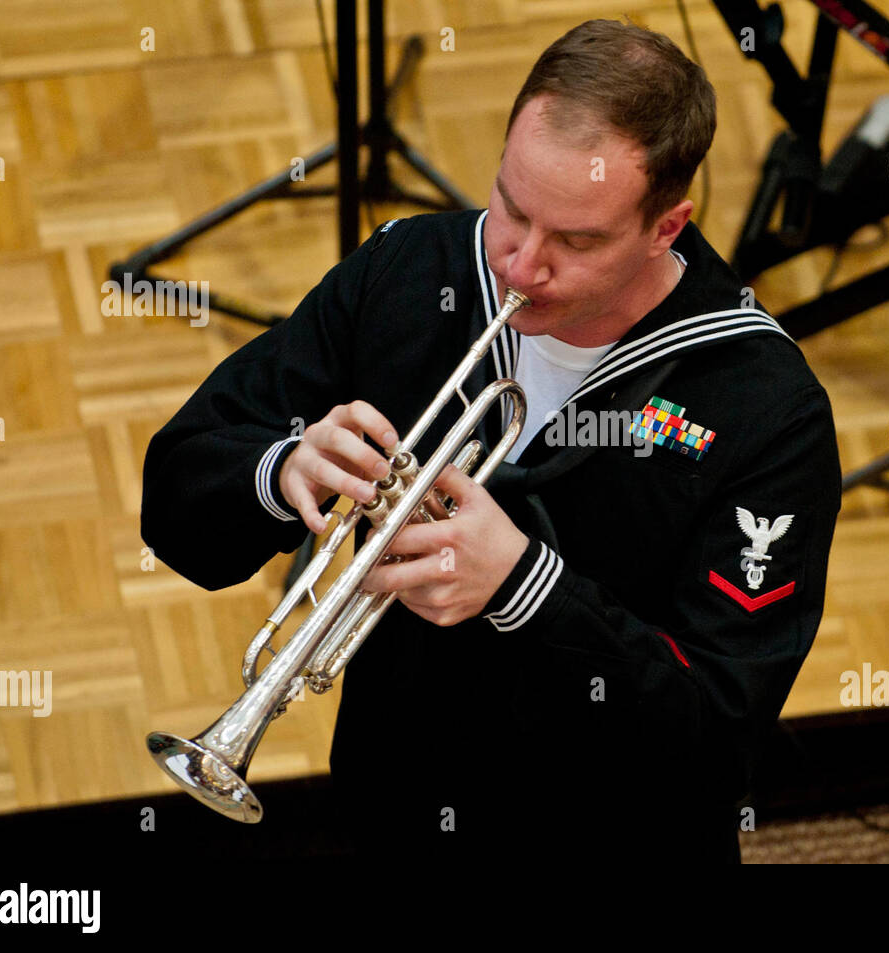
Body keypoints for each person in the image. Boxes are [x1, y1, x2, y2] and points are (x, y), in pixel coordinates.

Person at [141, 18, 841, 863]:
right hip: (393, 803)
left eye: (576, 240)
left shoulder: (768, 410)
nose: (519, 265)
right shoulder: (410, 271)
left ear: (666, 226)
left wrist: (526, 588)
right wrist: (279, 467)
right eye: (512, 206)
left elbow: (718, 740)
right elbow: (174, 503)